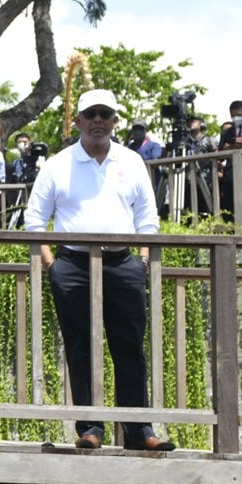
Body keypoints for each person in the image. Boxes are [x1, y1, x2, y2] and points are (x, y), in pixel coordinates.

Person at [21, 88, 174, 453]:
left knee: (130, 347)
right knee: (80, 347)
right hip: (72, 264)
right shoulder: (58, 163)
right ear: (77, 121)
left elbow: (147, 218)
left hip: (122, 264)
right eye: (90, 114)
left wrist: (141, 259)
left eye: (105, 113)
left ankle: (139, 431)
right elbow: (34, 219)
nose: (97, 121)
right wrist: (51, 264)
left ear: (115, 120)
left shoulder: (132, 161)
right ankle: (90, 427)